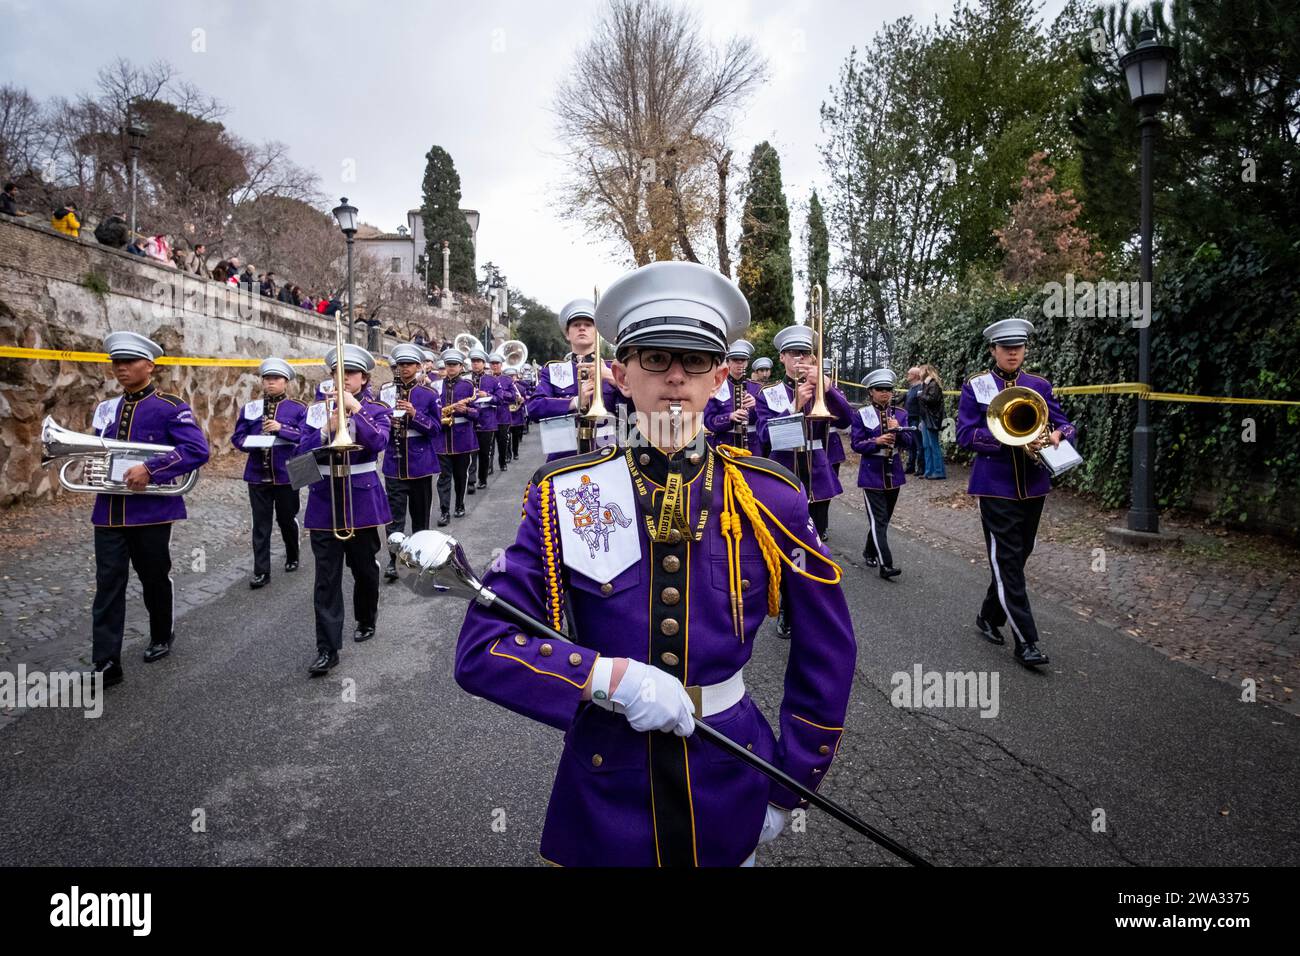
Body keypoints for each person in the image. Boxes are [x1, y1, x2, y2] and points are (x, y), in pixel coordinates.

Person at [454, 260, 857, 867]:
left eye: (694, 361)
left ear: (720, 375)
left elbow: (828, 650)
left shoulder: (769, 495)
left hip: (730, 770)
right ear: (620, 373)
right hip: (606, 781)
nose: (675, 378)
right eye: (653, 358)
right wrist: (606, 679)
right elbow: (483, 646)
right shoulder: (569, 491)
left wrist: (792, 782)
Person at [88, 332, 210, 687]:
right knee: (108, 584)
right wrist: (89, 463)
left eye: (129, 362)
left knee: (153, 576)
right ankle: (106, 662)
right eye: (116, 363)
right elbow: (98, 449)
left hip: (153, 510)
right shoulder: (106, 408)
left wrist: (151, 468)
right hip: (109, 510)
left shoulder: (171, 407)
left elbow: (197, 451)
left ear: (150, 366)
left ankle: (161, 634)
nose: (121, 368)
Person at [956, 318, 1075, 668]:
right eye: (1005, 347)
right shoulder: (976, 386)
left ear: (1025, 349)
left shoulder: (1037, 385)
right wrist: (1006, 437)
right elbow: (965, 435)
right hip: (995, 487)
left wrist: (1059, 435)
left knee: (1018, 557)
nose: (1012, 352)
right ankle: (1026, 641)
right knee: (1008, 561)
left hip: (1034, 485)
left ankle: (988, 616)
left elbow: (1064, 422)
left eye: (1018, 347)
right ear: (993, 349)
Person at [297, 344, 392, 674]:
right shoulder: (316, 410)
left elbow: (379, 443)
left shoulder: (377, 409)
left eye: (350, 374)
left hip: (362, 500)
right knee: (326, 579)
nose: (343, 379)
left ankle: (367, 617)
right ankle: (327, 648)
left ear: (364, 378)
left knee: (364, 569)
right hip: (324, 500)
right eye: (337, 374)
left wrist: (355, 411)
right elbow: (299, 454)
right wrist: (325, 429)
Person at [753, 325, 853, 546]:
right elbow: (764, 437)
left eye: (805, 353)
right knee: (783, 539)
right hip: (784, 468)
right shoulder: (769, 393)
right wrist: (793, 407)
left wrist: (829, 390)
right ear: (782, 357)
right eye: (793, 353)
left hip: (817, 471)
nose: (800, 358)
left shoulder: (824, 389)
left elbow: (847, 421)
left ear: (812, 357)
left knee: (816, 541)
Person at [232, 358, 306, 589]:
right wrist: (248, 442)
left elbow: (305, 436)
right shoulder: (251, 408)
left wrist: (280, 428)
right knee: (260, 525)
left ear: (285, 382)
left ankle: (292, 554)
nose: (270, 382)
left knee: (286, 520)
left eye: (276, 379)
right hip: (257, 474)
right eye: (267, 378)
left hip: (286, 474)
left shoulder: (298, 408)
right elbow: (238, 436)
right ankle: (261, 571)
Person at [525, 299, 627, 461]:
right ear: (567, 334)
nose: (582, 328)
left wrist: (614, 379)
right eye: (576, 324)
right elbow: (533, 408)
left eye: (588, 324)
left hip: (607, 453)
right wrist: (574, 402)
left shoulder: (613, 369)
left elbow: (635, 410)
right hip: (563, 455)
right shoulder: (553, 370)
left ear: (597, 332)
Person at [380, 344, 442, 580]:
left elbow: (436, 430)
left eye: (409, 365)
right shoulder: (385, 392)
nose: (404, 369)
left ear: (418, 367)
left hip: (420, 465)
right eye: (400, 365)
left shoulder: (428, 395)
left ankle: (418, 560)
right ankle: (393, 561)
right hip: (394, 464)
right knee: (394, 519)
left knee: (420, 517)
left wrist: (415, 415)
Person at [850, 368, 912, 580]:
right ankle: (886, 564)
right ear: (870, 392)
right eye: (880, 389)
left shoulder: (901, 414)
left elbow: (911, 443)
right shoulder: (861, 414)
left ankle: (869, 551)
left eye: (889, 389)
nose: (885, 393)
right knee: (879, 520)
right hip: (872, 473)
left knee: (883, 520)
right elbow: (856, 444)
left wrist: (899, 431)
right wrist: (875, 441)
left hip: (893, 473)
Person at [435, 348, 479, 524]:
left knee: (461, 476)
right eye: (448, 365)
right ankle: (444, 511)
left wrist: (466, 410)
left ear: (461, 367)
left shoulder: (468, 386)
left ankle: (459, 505)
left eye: (454, 365)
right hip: (442, 439)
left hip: (462, 439)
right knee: (443, 478)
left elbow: (478, 413)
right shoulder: (437, 385)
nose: (451, 368)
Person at [702, 339, 760, 450]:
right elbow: (708, 421)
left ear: (747, 362)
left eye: (743, 360)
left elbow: (764, 421)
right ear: (728, 362)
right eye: (735, 360)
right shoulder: (716, 386)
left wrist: (755, 407)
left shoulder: (756, 388)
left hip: (752, 446)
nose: (740, 363)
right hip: (724, 445)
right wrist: (729, 417)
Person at [468, 348, 499, 488]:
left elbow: (500, 398)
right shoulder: (465, 380)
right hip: (469, 419)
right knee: (470, 452)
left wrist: (486, 395)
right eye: (473, 361)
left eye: (478, 361)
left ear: (483, 363)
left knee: (484, 452)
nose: (475, 364)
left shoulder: (491, 380)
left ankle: (483, 479)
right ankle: (471, 480)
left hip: (487, 420)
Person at [919, 364, 947, 480]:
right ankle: (928, 471)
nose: (919, 373)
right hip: (926, 418)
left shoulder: (933, 384)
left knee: (933, 445)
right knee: (926, 445)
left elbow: (932, 400)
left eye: (921, 370)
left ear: (926, 371)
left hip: (932, 418)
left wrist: (921, 395)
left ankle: (939, 471)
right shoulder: (927, 384)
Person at [487, 352, 514, 471]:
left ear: (501, 365)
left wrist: (500, 393)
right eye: (492, 363)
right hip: (488, 417)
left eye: (497, 363)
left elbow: (513, 396)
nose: (494, 366)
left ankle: (502, 463)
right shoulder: (485, 379)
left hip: (503, 416)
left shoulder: (507, 379)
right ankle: (489, 466)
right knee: (489, 444)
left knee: (502, 442)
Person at [902, 367, 926, 476]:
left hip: (916, 419)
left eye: (909, 374)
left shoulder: (920, 388)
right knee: (911, 444)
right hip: (909, 418)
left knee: (919, 444)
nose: (907, 375)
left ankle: (921, 468)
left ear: (915, 375)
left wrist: (921, 420)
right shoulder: (911, 388)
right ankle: (910, 466)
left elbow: (922, 406)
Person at [503, 366, 527, 460]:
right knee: (507, 436)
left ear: (516, 376)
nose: (511, 378)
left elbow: (525, 399)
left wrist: (522, 400)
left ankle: (515, 452)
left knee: (515, 436)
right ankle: (508, 455)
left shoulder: (520, 388)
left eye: (512, 376)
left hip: (517, 414)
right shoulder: (502, 388)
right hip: (506, 414)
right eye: (509, 376)